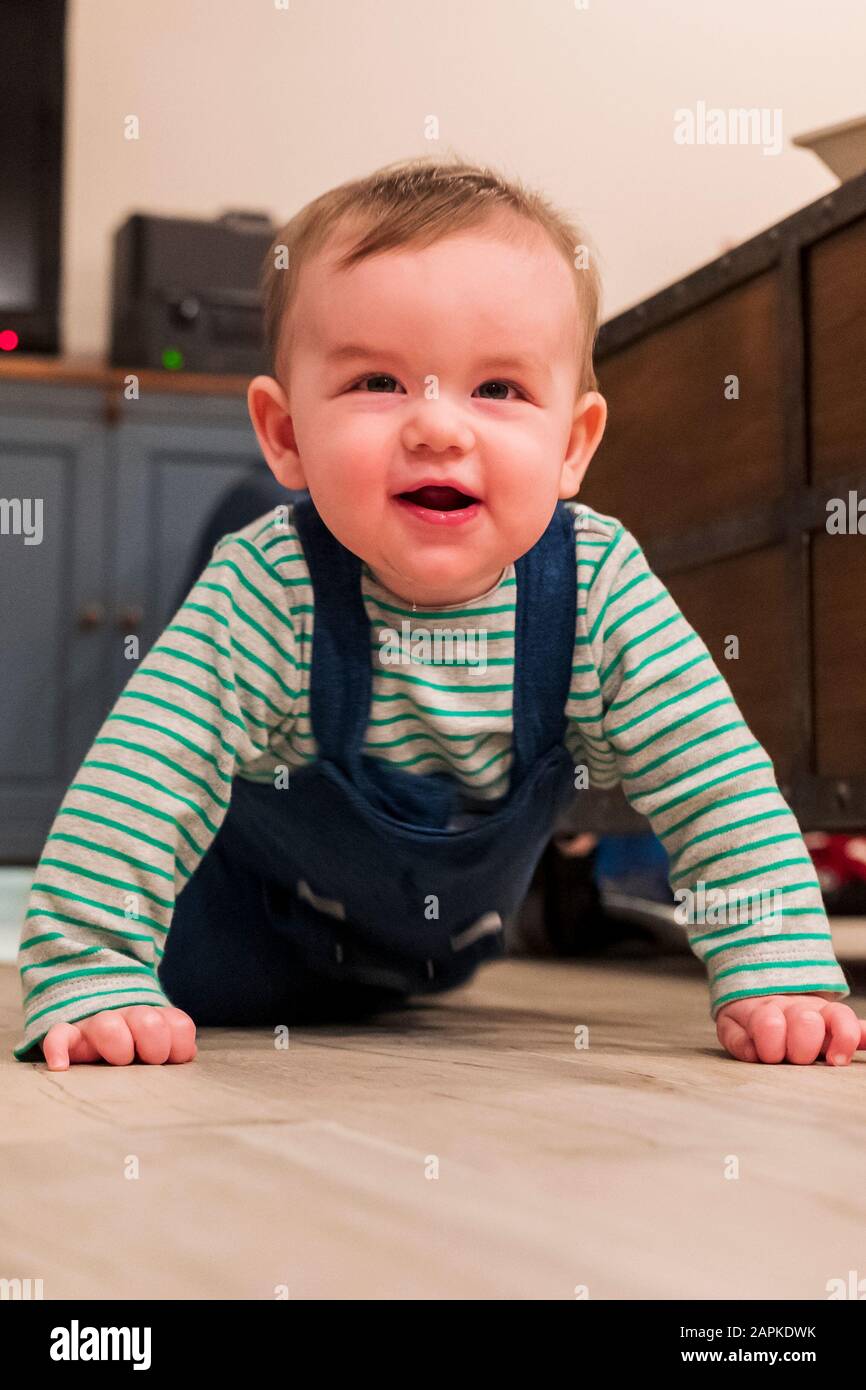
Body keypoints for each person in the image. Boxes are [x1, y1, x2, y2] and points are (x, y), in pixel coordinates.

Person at [15, 155, 862, 1070]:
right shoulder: (267, 588)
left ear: (573, 447)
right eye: (377, 383)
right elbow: (147, 776)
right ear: (286, 434)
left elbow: (715, 787)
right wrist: (91, 973)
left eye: (498, 390)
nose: (437, 428)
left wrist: (777, 969)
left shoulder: (598, 589)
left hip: (429, 963)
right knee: (233, 558)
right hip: (230, 952)